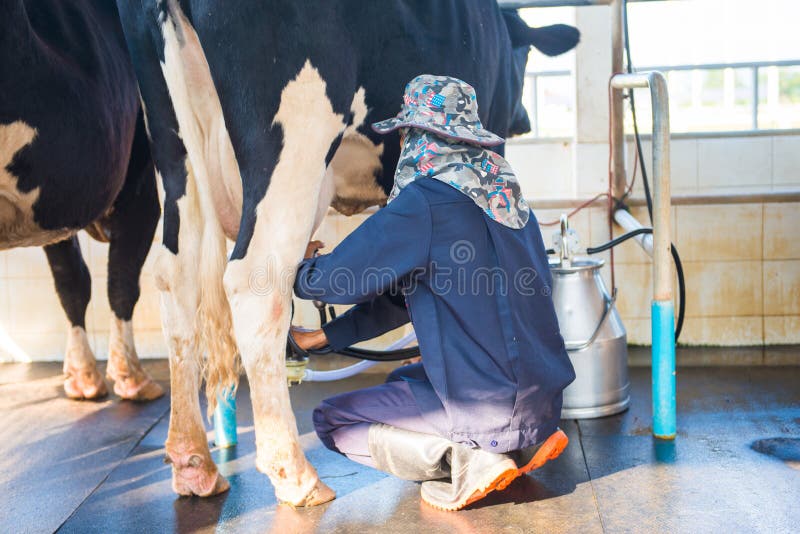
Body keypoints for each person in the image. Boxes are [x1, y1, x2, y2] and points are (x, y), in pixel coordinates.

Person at [293, 75, 576, 511]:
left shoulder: (426, 199)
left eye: (407, 133)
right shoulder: (505, 193)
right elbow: (404, 297)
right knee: (401, 381)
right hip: (542, 399)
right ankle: (523, 441)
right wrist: (322, 338)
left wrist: (299, 268)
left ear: (419, 135)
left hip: (486, 402)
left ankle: (467, 457)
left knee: (331, 419)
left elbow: (339, 280)